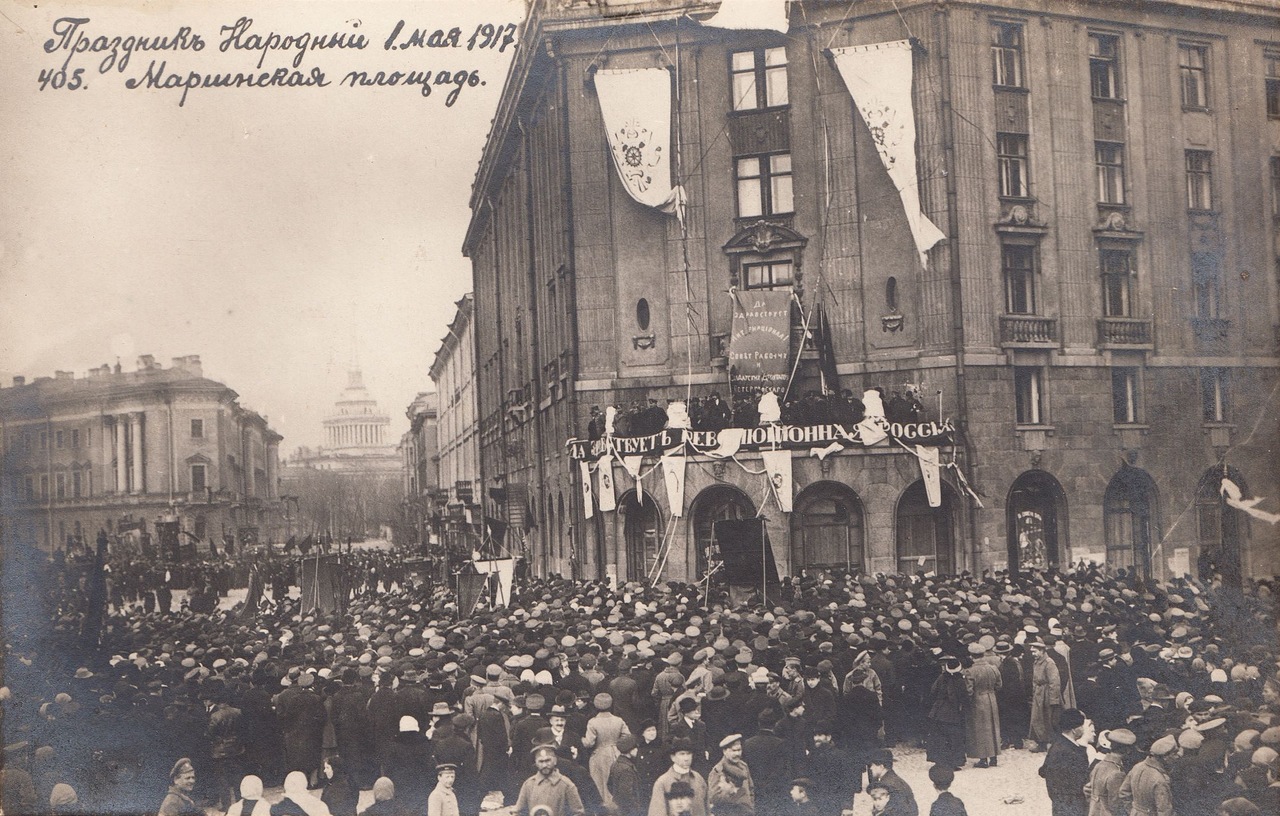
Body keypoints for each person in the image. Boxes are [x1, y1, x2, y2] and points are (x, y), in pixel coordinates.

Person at [1039, 709, 1092, 816]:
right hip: (1071, 805)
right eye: (1082, 726)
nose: (1083, 729)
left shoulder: (1058, 744)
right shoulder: (1070, 751)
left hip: (1060, 804)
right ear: (1074, 730)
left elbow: (1042, 771)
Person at [583, 691, 631, 808]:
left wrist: (582, 740)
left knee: (601, 785)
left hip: (600, 755)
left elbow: (589, 743)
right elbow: (627, 736)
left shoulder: (593, 722)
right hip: (617, 753)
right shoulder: (618, 720)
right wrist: (617, 744)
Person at [514, 745, 585, 816]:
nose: (544, 765)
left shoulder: (566, 784)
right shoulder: (529, 785)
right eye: (541, 761)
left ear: (555, 761)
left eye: (548, 760)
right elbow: (518, 812)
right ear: (536, 763)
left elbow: (578, 813)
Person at [1118, 734, 1176, 816]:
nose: (1176, 757)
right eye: (1174, 754)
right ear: (1165, 757)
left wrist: (1133, 810)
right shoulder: (1160, 780)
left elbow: (1123, 792)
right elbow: (1164, 811)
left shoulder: (1137, 767)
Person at [964, 643, 1001, 768]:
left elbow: (969, 691)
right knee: (993, 728)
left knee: (980, 729)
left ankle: (983, 759)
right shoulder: (993, 668)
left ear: (972, 656)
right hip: (992, 698)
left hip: (978, 700)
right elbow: (999, 685)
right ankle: (994, 757)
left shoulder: (970, 671)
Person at [649, 738, 708, 816]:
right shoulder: (662, 782)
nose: (686, 758)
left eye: (689, 753)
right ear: (673, 757)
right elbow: (657, 813)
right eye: (682, 754)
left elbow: (707, 808)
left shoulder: (698, 778)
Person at [927, 658, 967, 771]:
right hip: (953, 712)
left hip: (938, 710)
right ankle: (953, 762)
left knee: (938, 737)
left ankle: (940, 760)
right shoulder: (960, 680)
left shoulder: (941, 677)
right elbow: (963, 697)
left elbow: (933, 691)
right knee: (954, 738)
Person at [1084, 728, 1136, 816]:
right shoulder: (1117, 773)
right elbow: (1116, 806)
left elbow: (1088, 791)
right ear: (1128, 750)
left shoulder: (1099, 765)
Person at [706, 734, 754, 816]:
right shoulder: (718, 770)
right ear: (725, 751)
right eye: (733, 751)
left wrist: (751, 806)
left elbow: (751, 789)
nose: (737, 754)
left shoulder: (744, 766)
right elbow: (713, 798)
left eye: (739, 750)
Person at [1029, 640, 1063, 752]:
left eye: (1035, 651)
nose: (1033, 654)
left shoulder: (1049, 663)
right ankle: (1041, 743)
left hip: (1047, 694)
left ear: (1042, 651)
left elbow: (1055, 682)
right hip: (1039, 694)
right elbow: (1035, 679)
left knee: (1049, 720)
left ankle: (1054, 744)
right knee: (1038, 719)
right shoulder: (1036, 662)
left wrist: (1054, 700)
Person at [867, 750, 917, 816]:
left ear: (881, 767)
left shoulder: (885, 786)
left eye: (873, 765)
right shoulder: (896, 779)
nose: (871, 768)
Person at [609, 734, 645, 816]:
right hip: (628, 811)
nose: (637, 750)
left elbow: (609, 785)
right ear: (630, 750)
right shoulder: (627, 769)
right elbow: (626, 794)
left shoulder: (616, 764)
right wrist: (636, 808)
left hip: (619, 809)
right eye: (635, 748)